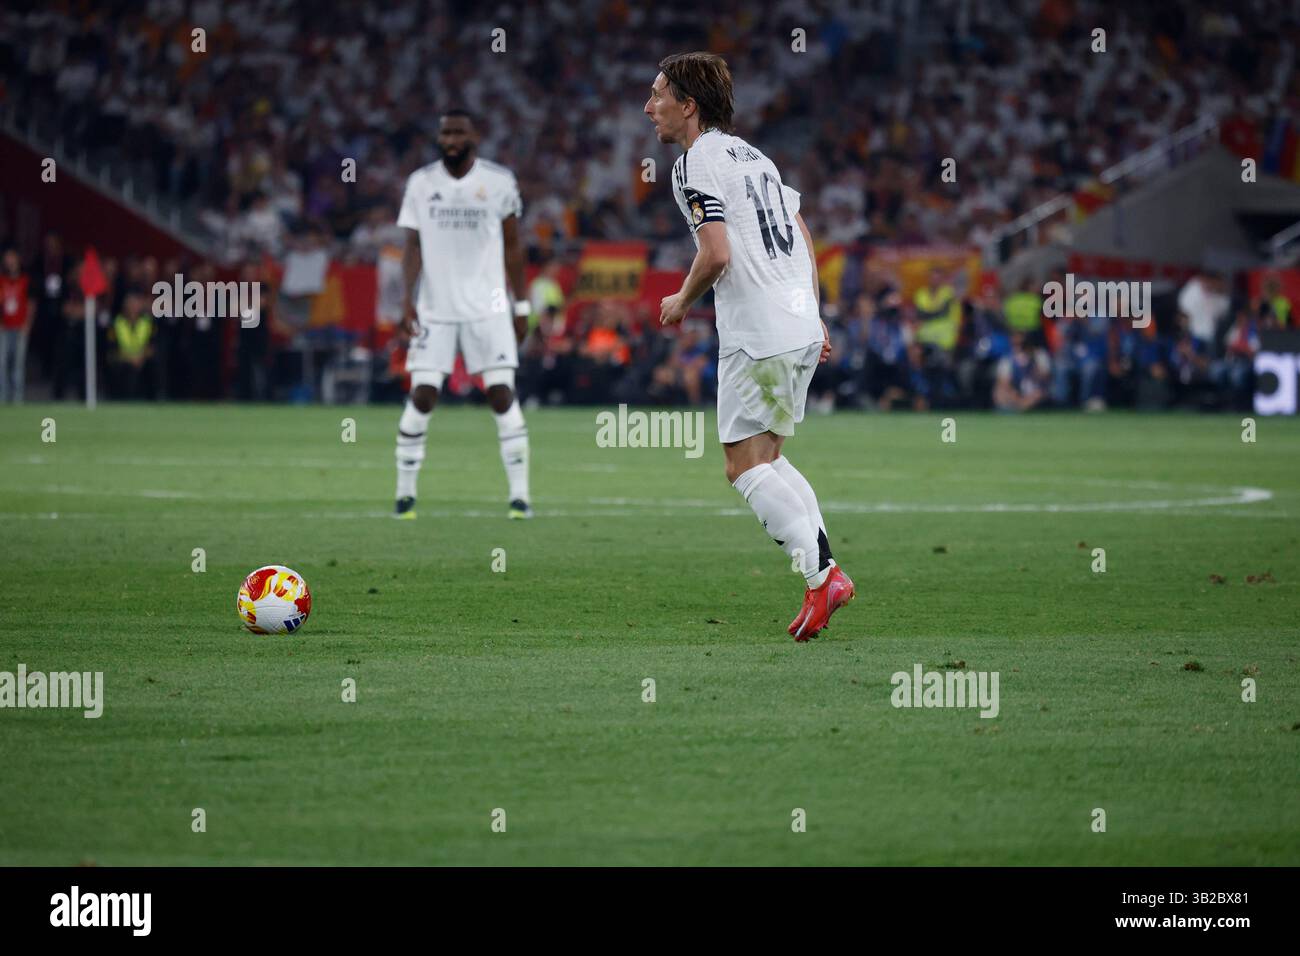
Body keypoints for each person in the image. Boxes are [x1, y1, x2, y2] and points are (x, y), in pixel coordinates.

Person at [646, 51, 853, 641]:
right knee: (770, 459)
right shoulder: (755, 157)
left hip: (757, 333)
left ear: (689, 106)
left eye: (659, 94)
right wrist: (814, 313)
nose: (648, 106)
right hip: (798, 326)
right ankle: (822, 578)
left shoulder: (693, 165)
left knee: (743, 467)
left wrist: (682, 301)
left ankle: (823, 576)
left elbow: (715, 254)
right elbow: (801, 233)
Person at [393, 109, 532, 520]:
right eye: (445, 132)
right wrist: (406, 300)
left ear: (474, 136)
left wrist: (521, 305)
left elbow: (513, 247)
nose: (451, 138)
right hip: (434, 310)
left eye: (458, 132)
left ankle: (520, 497)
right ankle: (405, 496)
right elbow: (412, 247)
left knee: (501, 395)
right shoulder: (420, 183)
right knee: (423, 396)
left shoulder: (499, 181)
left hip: (488, 309)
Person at [0, 248, 34, 403]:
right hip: (4, 327)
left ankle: (17, 399)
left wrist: (27, 323)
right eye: (7, 258)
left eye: (12, 257)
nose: (10, 261)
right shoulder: (1, 280)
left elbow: (31, 303)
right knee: (2, 363)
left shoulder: (25, 280)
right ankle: (3, 396)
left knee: (18, 364)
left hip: (20, 326)